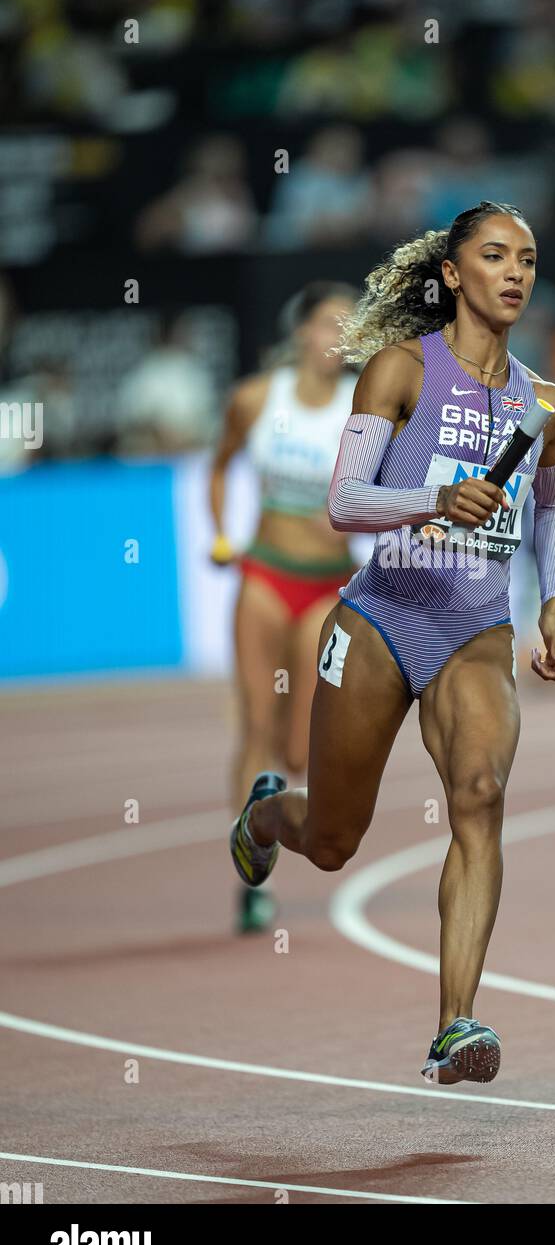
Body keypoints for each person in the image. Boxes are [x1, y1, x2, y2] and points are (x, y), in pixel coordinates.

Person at [228, 202, 555, 1083]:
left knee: (483, 792)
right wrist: (434, 500)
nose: (515, 273)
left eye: (527, 260)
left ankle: (455, 1025)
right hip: (382, 616)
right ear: (453, 274)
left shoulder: (547, 405)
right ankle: (270, 809)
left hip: (475, 632)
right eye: (494, 256)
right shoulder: (398, 371)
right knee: (336, 839)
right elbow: (345, 503)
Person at [210, 281, 358, 930]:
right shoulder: (254, 399)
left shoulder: (365, 410)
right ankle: (251, 878)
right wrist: (219, 531)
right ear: (302, 330)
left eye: (351, 329)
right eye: (330, 324)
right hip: (265, 576)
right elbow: (218, 466)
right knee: (255, 724)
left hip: (328, 583)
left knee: (299, 750)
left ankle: (270, 808)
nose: (339, 340)